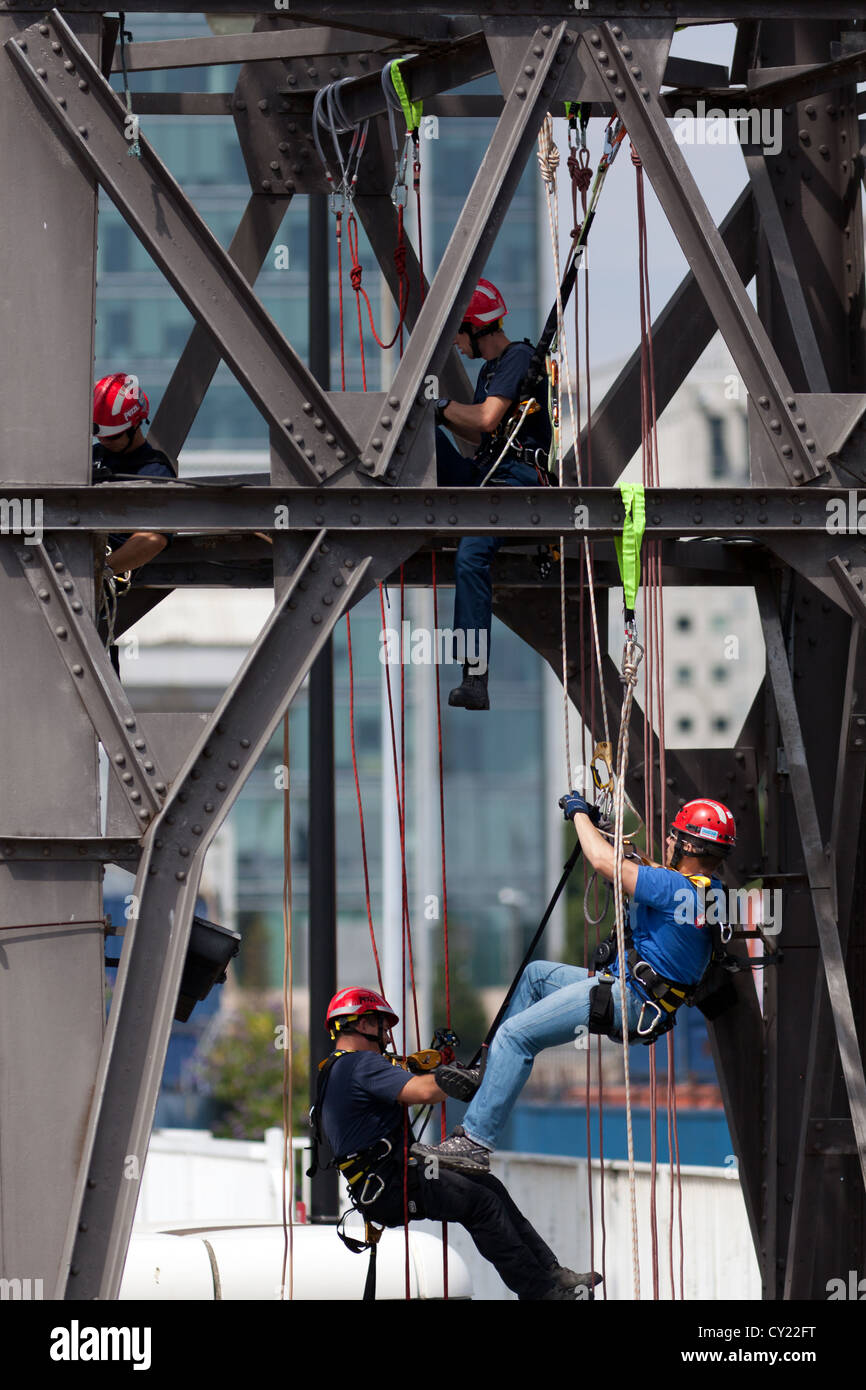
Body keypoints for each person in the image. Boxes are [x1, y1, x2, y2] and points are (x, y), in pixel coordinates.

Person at [413, 797, 736, 1174]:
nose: (667, 841)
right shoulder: (708, 891)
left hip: (628, 997)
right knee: (535, 976)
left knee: (515, 1036)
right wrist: (615, 844)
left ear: (691, 847)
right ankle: (489, 1073)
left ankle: (475, 1141)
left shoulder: (670, 887)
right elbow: (642, 872)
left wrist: (579, 814)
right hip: (638, 996)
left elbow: (601, 862)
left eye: (674, 836)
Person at [311, 986, 601, 1300]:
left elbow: (405, 1072)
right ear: (363, 1024)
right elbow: (421, 1091)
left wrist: (439, 1068)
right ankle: (542, 1293)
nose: (387, 1036)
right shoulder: (360, 1065)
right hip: (392, 1183)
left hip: (383, 1184)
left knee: (488, 1186)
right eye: (383, 1026)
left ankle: (551, 1272)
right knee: (481, 1203)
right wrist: (468, 1078)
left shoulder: (336, 1070)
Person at [435, 279, 552, 711]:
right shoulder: (489, 371)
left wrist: (442, 407)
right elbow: (477, 426)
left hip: (516, 480)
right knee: (424, 434)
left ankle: (475, 676)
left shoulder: (519, 357)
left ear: (474, 327)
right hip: (487, 474)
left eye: (458, 333)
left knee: (471, 555)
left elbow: (485, 419)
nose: (456, 343)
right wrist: (437, 418)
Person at [92, 373, 174, 576]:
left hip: (101, 569)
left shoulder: (154, 472)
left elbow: (154, 537)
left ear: (135, 424)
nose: (104, 441)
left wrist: (103, 571)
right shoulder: (90, 457)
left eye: (112, 436)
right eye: (99, 435)